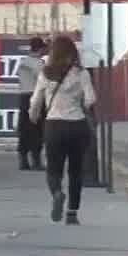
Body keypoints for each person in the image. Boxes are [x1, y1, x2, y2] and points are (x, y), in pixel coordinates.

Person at [28, 35, 96, 226]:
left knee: (53, 169)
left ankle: (57, 193)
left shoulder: (45, 74)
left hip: (54, 126)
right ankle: (72, 213)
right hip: (76, 125)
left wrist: (33, 116)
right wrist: (79, 102)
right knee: (75, 171)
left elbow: (35, 101)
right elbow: (91, 99)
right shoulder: (81, 74)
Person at [14, 36, 47, 171]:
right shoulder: (39, 64)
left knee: (24, 129)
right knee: (37, 130)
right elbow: (43, 81)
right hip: (35, 97)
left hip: (23, 97)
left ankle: (23, 159)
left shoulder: (23, 62)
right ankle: (36, 160)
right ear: (40, 49)